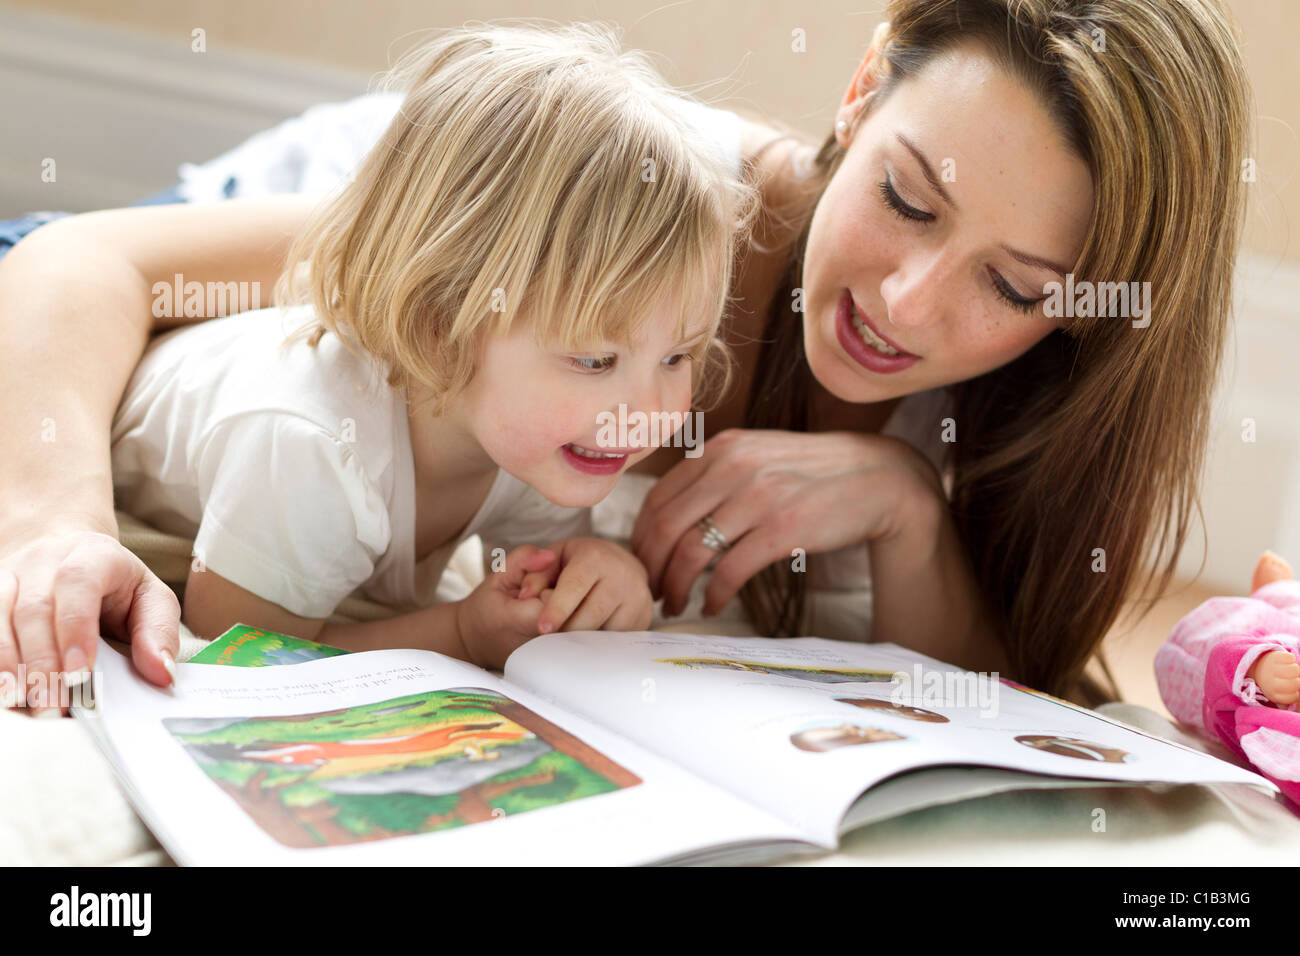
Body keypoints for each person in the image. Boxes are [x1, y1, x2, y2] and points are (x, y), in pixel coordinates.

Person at [0, 0, 1252, 710]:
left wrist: (906, 512)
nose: (909, 303)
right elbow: (87, 264)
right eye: (908, 201)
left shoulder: (1009, 397)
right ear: (862, 89)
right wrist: (53, 520)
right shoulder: (617, 198)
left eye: (1011, 283)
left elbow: (995, 689)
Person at [0, 21, 758, 713]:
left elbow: (518, 579)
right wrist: (459, 632)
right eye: (596, 359)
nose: (645, 409)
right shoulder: (308, 442)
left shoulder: (544, 436)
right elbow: (239, 660)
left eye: (678, 355)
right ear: (439, 325)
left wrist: (590, 580)